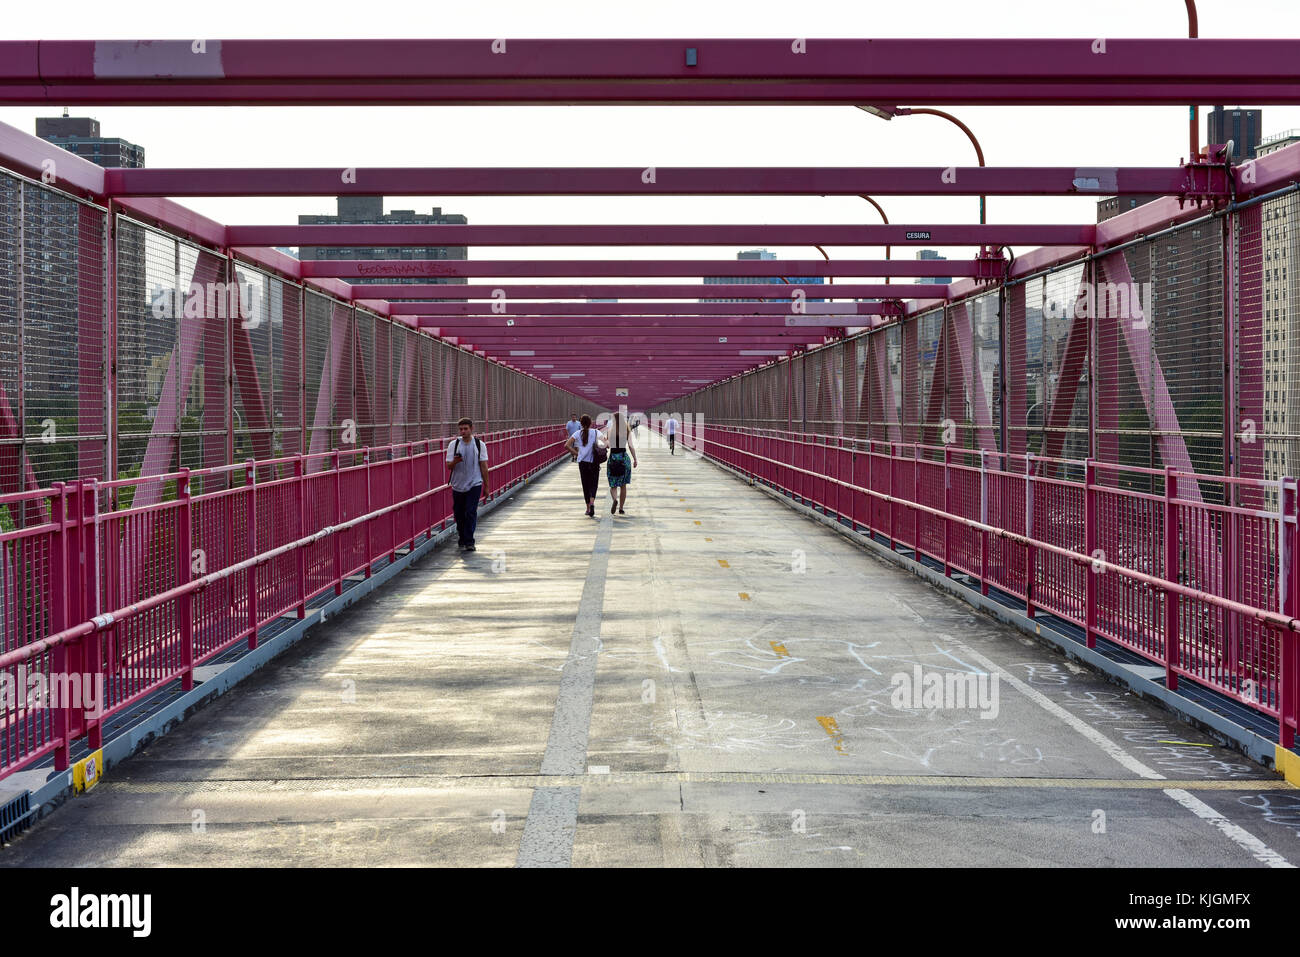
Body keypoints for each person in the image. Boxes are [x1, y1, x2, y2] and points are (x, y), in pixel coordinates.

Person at [446, 417, 489, 551]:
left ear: (471, 429)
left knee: (470, 511)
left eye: (465, 429)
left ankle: (470, 541)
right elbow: (448, 466)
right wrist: (455, 461)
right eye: (461, 429)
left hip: (474, 483)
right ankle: (462, 537)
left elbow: (483, 466)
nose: (463, 431)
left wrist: (486, 486)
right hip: (458, 485)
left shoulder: (479, 445)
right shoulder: (453, 445)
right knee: (459, 513)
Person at [564, 413, 605, 517]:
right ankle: (592, 503)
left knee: (585, 484)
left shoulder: (577, 433)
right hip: (594, 462)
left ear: (581, 424)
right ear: (591, 423)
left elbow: (567, 445)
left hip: (582, 463)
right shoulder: (596, 432)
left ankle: (587, 508)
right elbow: (605, 443)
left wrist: (577, 453)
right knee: (594, 484)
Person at [601, 410, 637, 514]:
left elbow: (607, 445)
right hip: (624, 458)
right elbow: (630, 446)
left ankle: (614, 500)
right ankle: (621, 508)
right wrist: (635, 459)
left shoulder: (609, 431)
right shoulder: (627, 430)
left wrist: (605, 441)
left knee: (613, 485)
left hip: (613, 458)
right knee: (623, 485)